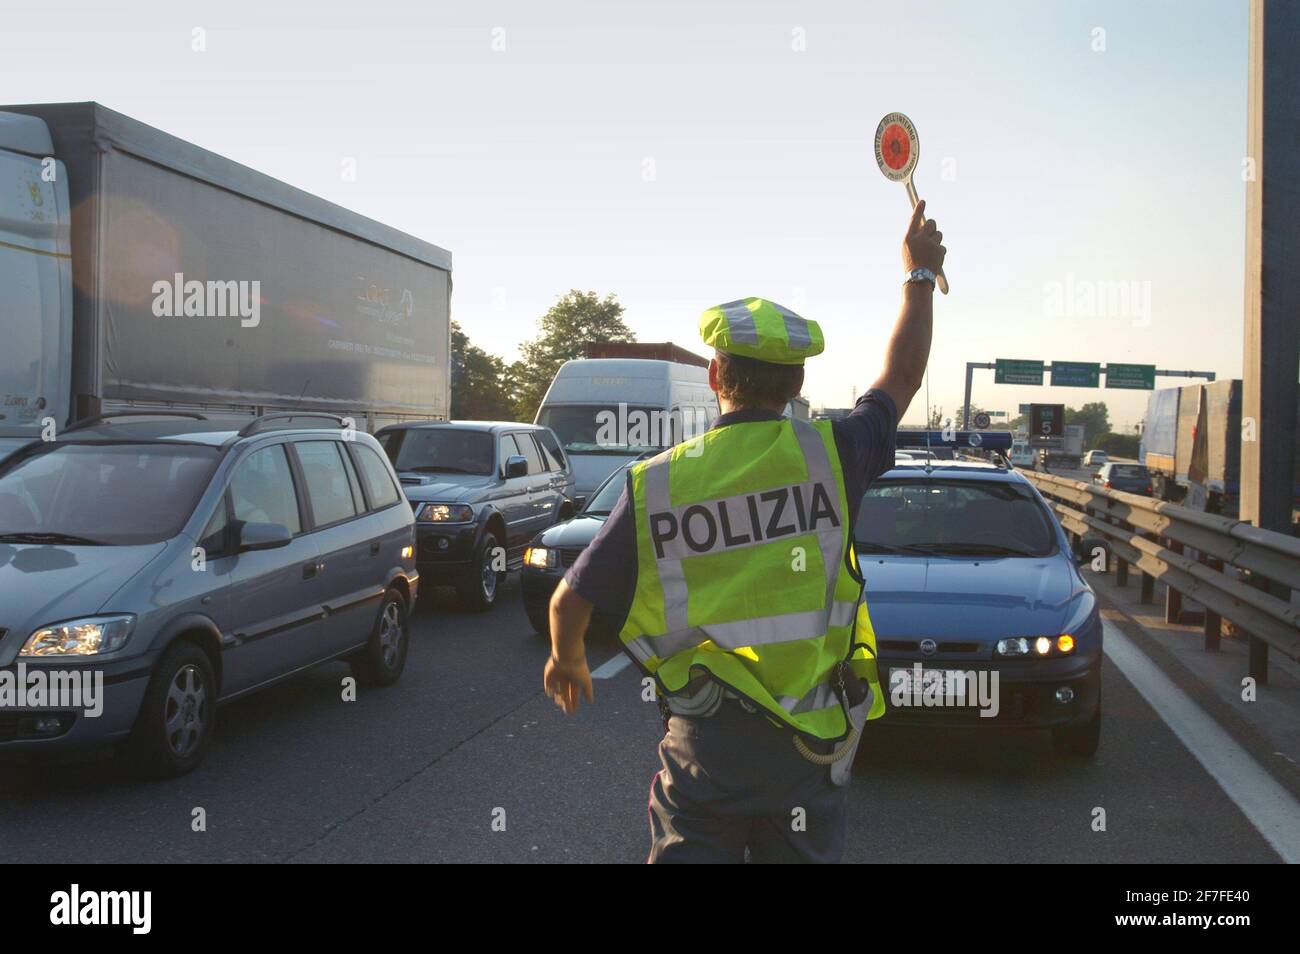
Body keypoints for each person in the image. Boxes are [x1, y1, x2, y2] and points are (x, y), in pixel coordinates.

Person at [542, 201, 946, 863]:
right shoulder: (835, 454)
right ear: (798, 381)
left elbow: (569, 601)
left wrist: (567, 658)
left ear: (714, 376)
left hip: (705, 755)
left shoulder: (656, 483)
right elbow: (901, 377)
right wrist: (919, 275)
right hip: (808, 749)